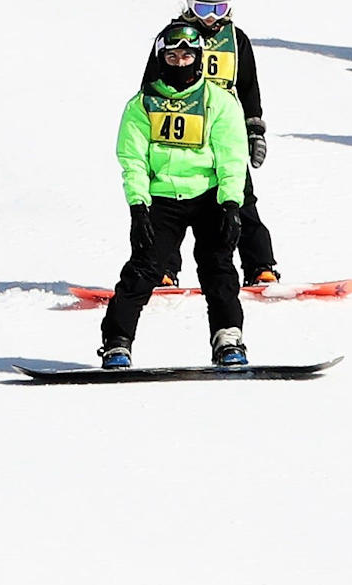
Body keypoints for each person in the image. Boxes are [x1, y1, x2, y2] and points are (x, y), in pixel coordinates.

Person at [100, 20, 251, 372]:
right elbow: (132, 159)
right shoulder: (142, 105)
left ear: (198, 58)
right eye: (171, 55)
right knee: (143, 270)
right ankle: (116, 343)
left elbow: (232, 155)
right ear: (160, 58)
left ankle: (228, 338)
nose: (179, 62)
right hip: (161, 198)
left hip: (209, 196)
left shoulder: (220, 103)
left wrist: (231, 204)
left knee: (218, 270)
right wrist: (138, 207)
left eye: (187, 55)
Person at [159, 0, 277, 285]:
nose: (211, 19)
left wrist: (255, 131)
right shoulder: (172, 39)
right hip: (184, 127)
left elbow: (249, 89)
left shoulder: (237, 41)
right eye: (203, 9)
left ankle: (261, 267)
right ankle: (164, 269)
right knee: (173, 202)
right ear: (189, 5)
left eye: (219, 9)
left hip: (225, 132)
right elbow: (152, 84)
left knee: (239, 198)